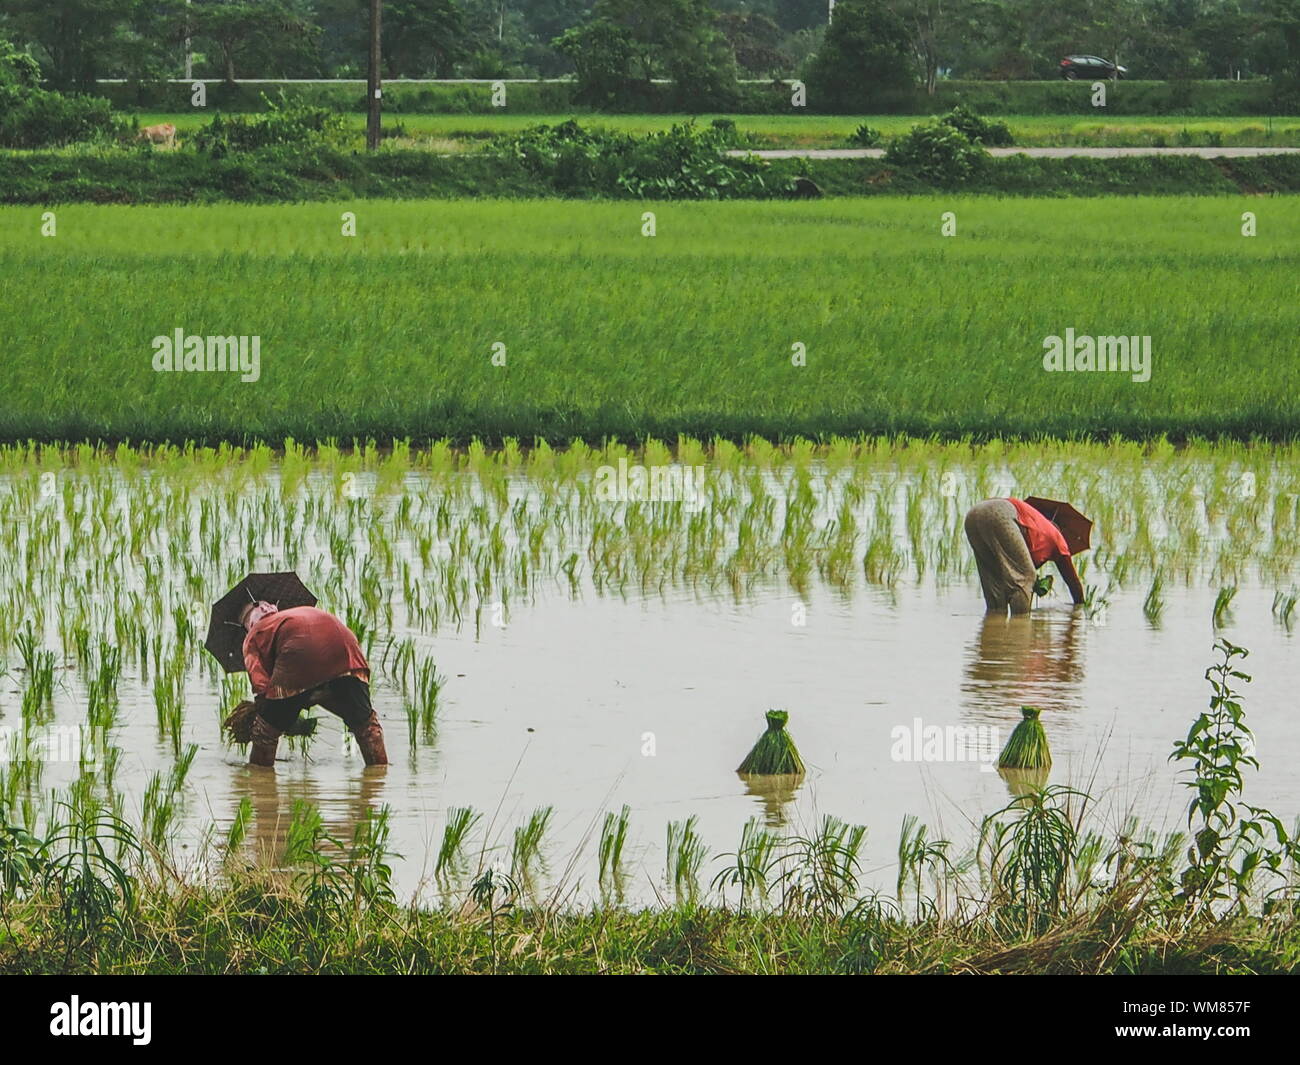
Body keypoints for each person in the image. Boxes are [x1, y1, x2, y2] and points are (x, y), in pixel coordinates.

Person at [238, 601, 388, 767]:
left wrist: (269, 715)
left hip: (298, 657)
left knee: (264, 734)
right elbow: (320, 678)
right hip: (347, 653)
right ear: (273, 608)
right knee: (367, 728)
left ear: (249, 624)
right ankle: (379, 776)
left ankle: (260, 784)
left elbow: (260, 685)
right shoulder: (300, 611)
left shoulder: (253, 635)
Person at [963, 497, 1085, 615]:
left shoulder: (1035, 523)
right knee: (1026, 577)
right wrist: (1080, 605)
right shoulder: (1058, 538)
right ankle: (1020, 628)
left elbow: (1014, 564)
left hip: (973, 515)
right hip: (1001, 513)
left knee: (994, 581)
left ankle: (994, 625)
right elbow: (1072, 581)